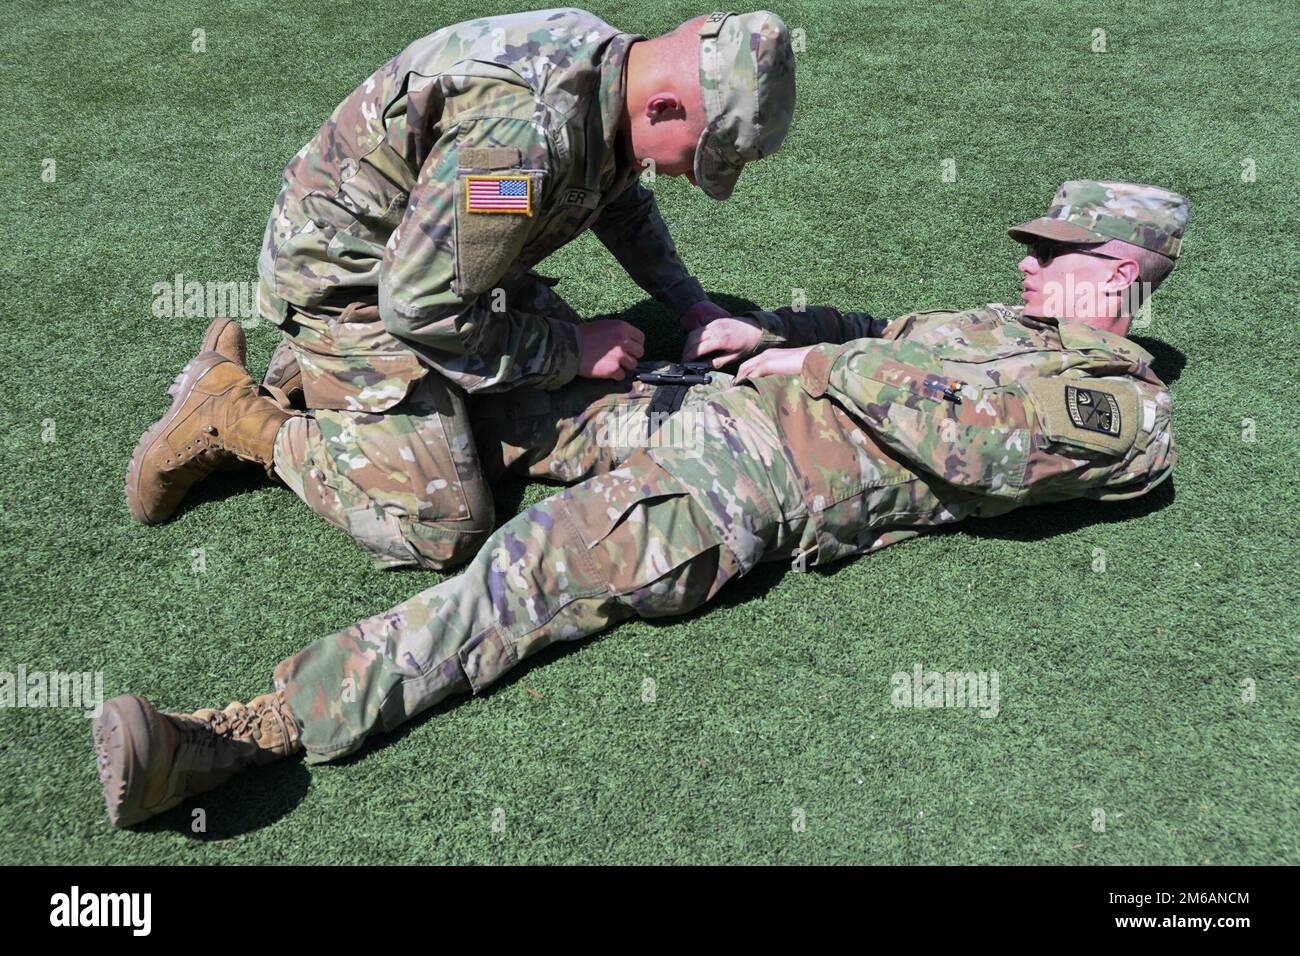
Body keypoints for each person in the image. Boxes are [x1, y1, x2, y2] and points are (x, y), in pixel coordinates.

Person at [93, 180, 1189, 828]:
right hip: (699, 402)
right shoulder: (1014, 329)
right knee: (474, 413)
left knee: (515, 581)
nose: (1031, 264)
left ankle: (235, 736)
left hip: (747, 485)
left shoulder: (1118, 409)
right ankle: (244, 412)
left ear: (1117, 273)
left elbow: (972, 440)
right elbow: (887, 332)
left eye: (1053, 252)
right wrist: (773, 332)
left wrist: (805, 373)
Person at [122, 9, 796, 571]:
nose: (687, 177)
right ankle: (235, 416)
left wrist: (689, 302)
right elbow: (419, 305)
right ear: (666, 105)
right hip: (351, 286)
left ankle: (322, 382)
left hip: (430, 262)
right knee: (445, 522)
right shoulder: (525, 134)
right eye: (700, 157)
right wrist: (569, 345)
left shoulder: (612, 70)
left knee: (581, 403)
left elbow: (619, 198)